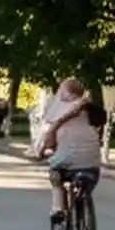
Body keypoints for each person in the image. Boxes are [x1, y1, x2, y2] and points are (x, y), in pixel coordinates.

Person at [40, 78, 102, 221]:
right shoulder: (91, 109)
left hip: (68, 161)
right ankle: (80, 202)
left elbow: (49, 143)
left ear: (67, 92)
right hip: (92, 162)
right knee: (84, 182)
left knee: (55, 174)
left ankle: (58, 208)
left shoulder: (60, 114)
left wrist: (45, 150)